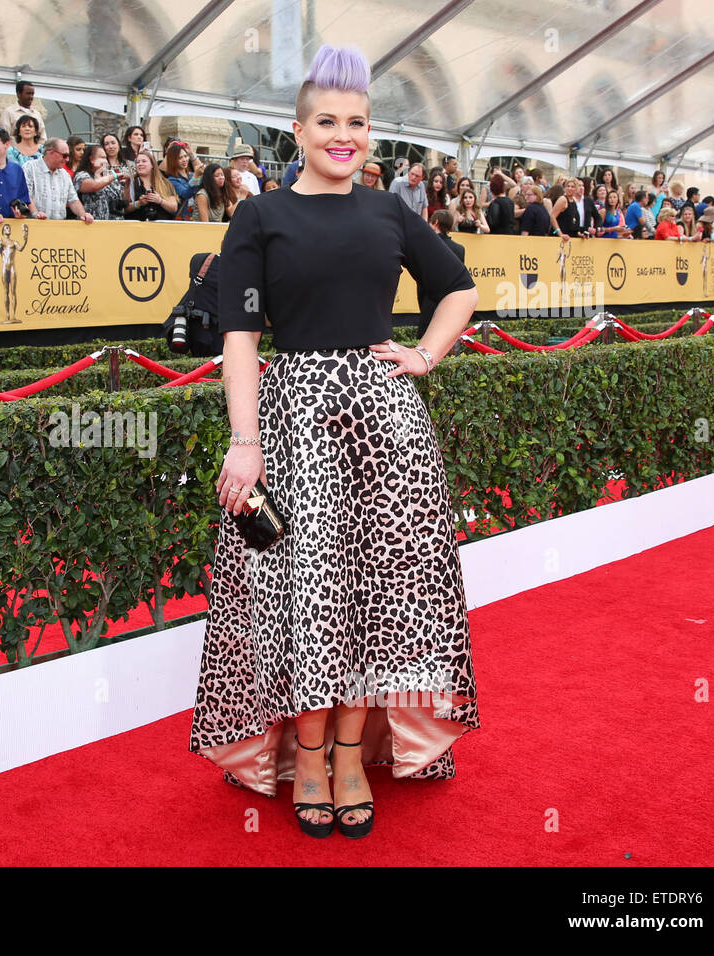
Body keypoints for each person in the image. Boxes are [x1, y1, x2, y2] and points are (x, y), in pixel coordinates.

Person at [192, 44, 479, 841]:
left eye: (356, 122)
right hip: (294, 431)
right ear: (298, 129)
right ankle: (308, 759)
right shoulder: (259, 216)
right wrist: (243, 444)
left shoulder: (388, 211)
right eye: (328, 121)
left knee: (381, 598)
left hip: (387, 427)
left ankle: (354, 756)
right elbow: (241, 337)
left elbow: (458, 288)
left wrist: (424, 356)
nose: (343, 135)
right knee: (309, 598)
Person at [419, 210, 466, 338]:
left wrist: (423, 304)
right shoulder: (459, 249)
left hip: (430, 302)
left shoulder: (426, 246)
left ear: (436, 223)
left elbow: (421, 279)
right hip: (452, 302)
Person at [24, 138, 93, 222]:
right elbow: (26, 196)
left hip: (59, 227)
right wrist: (35, 214)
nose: (67, 159)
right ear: (51, 152)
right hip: (35, 225)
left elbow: (73, 200)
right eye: (64, 155)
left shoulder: (64, 174)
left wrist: (83, 215)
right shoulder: (30, 168)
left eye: (68, 156)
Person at [122, 150, 179, 220]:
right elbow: (124, 209)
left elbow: (174, 208)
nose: (140, 164)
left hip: (160, 227)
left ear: (152, 164)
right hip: (137, 227)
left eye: (144, 161)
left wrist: (160, 201)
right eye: (138, 162)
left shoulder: (165, 183)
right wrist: (139, 203)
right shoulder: (131, 183)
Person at [73, 144, 125, 221]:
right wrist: (114, 175)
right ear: (91, 159)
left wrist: (127, 184)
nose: (105, 161)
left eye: (106, 158)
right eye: (102, 157)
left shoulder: (106, 177)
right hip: (88, 223)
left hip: (107, 224)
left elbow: (121, 200)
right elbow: (94, 186)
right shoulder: (81, 175)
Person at [161, 141, 202, 219]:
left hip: (196, 216)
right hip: (182, 218)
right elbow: (185, 194)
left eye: (185, 156)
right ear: (173, 160)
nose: (184, 160)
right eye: (180, 158)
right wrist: (196, 177)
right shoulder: (172, 180)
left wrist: (191, 153)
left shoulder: (191, 175)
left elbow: (204, 172)